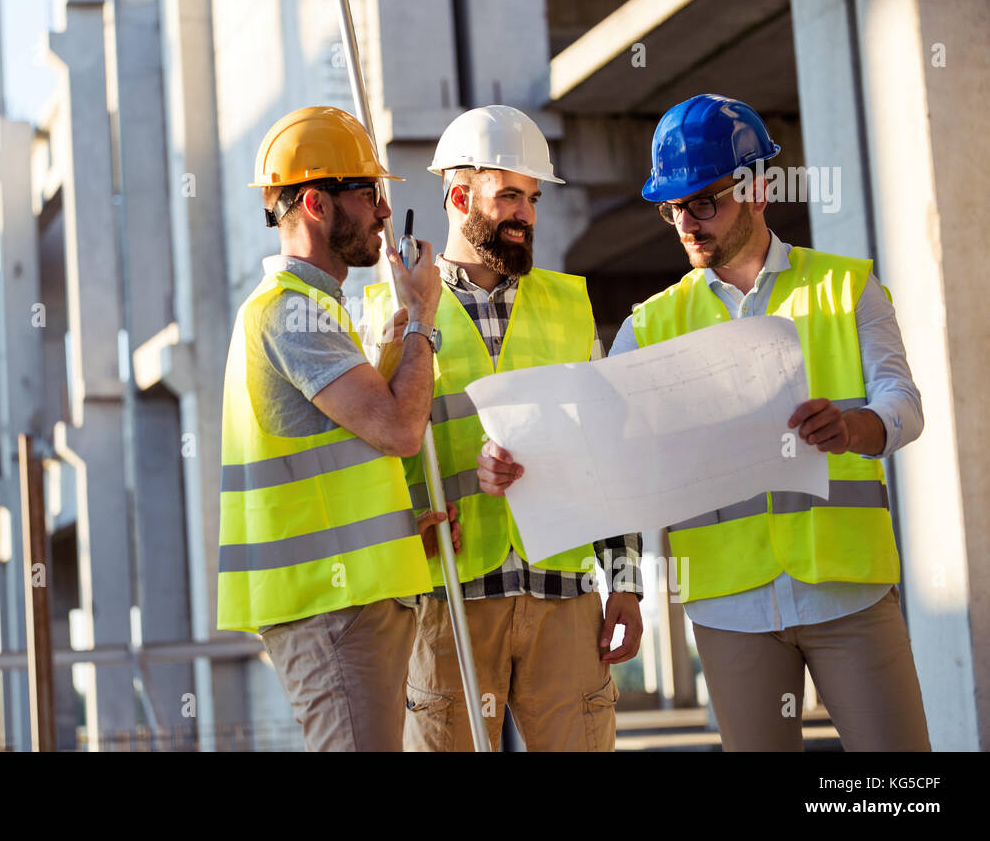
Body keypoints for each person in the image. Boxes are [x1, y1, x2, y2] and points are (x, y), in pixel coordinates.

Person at [610, 93, 928, 750]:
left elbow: (903, 403)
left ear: (757, 189)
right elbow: (609, 459)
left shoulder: (846, 287)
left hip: (849, 596)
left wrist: (855, 425)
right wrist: (623, 585)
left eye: (704, 202)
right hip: (731, 608)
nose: (686, 224)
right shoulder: (649, 326)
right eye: (674, 207)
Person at [366, 105, 643, 752]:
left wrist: (625, 583)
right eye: (509, 196)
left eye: (533, 199)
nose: (526, 214)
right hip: (448, 602)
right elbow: (370, 459)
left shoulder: (570, 307)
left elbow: (609, 452)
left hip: (565, 597)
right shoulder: (391, 310)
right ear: (460, 198)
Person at [216, 105, 459, 752]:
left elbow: (340, 462)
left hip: (345, 603)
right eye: (369, 193)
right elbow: (400, 430)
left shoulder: (316, 311)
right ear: (319, 204)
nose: (384, 211)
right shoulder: (293, 314)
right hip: (332, 612)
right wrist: (421, 315)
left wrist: (398, 533)